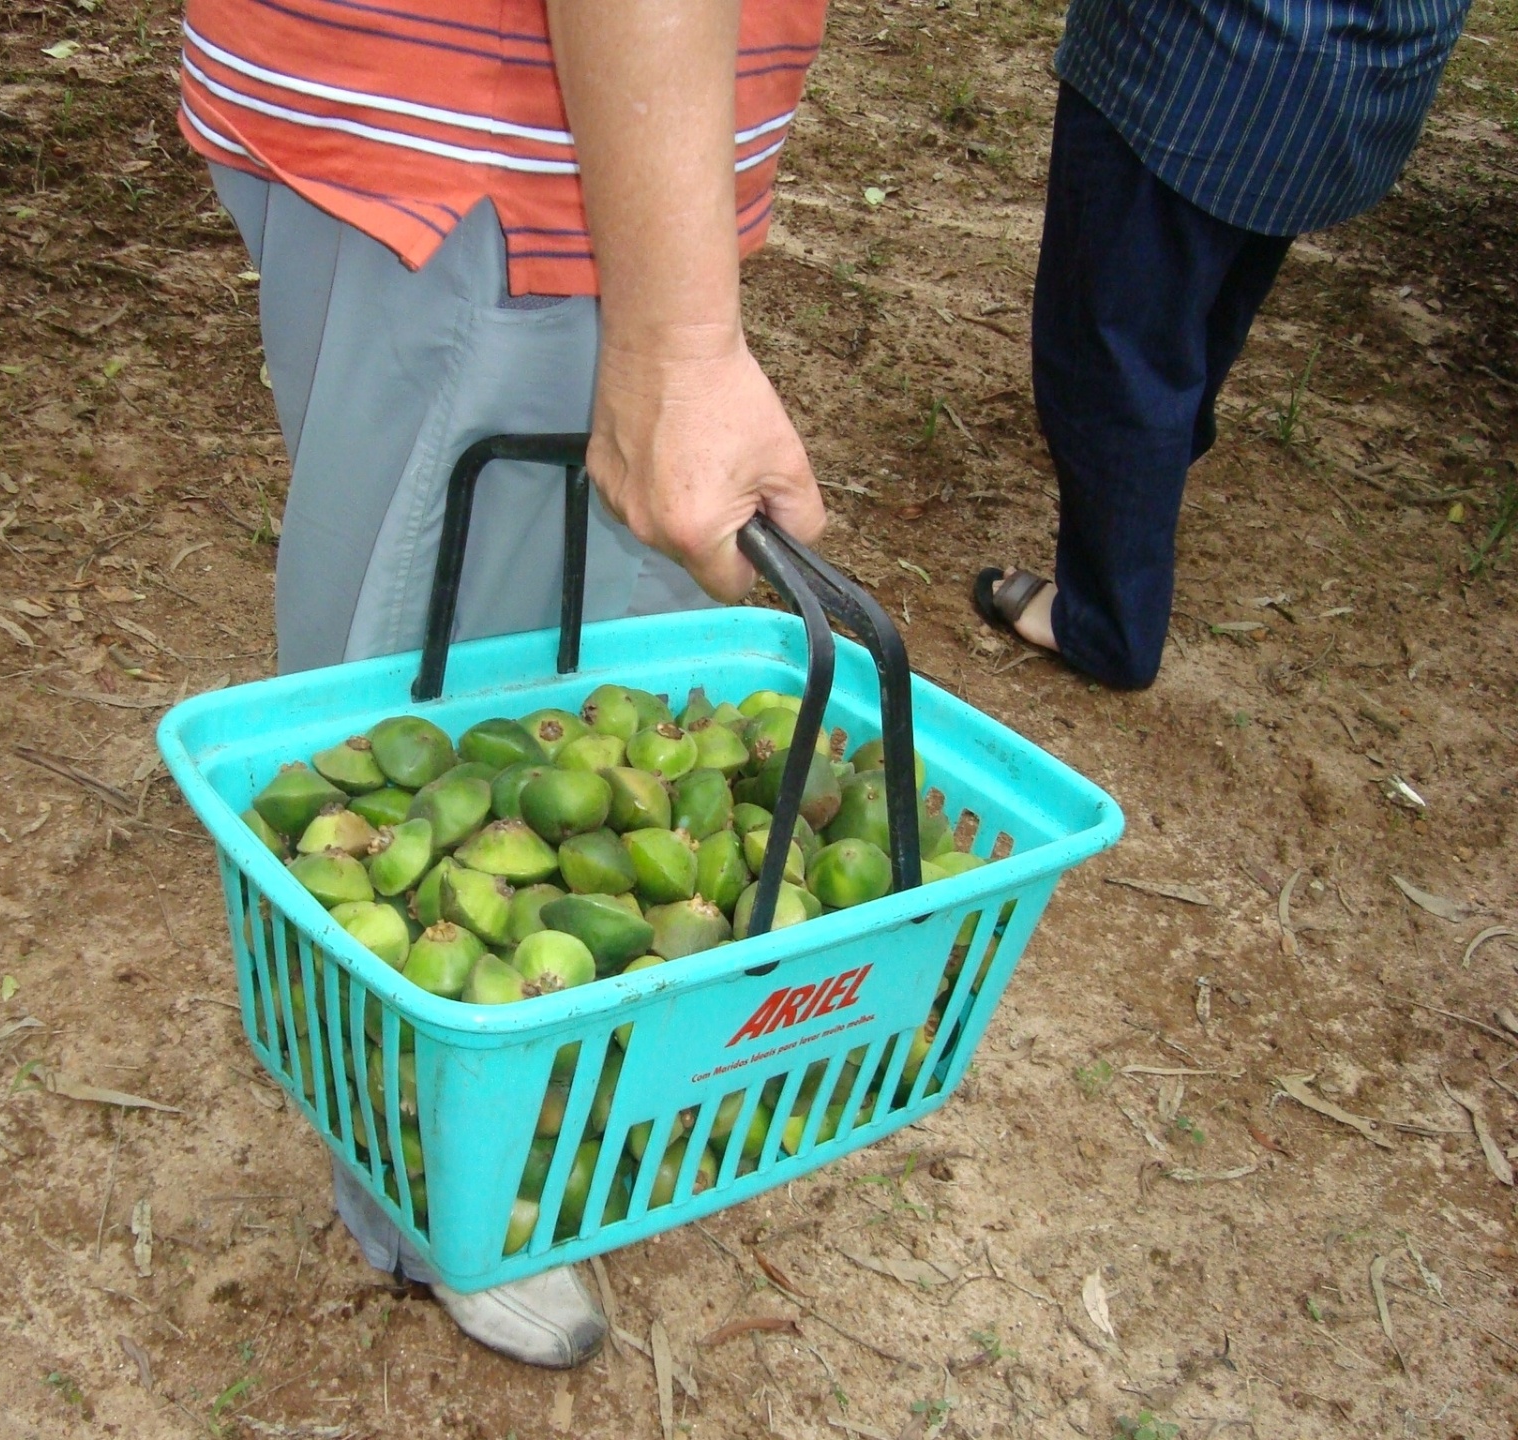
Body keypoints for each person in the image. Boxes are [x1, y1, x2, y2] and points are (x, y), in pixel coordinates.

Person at [176, 0, 830, 1366]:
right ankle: (456, 1200)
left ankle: (479, 1144)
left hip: (455, 134)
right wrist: (678, 340)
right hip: (516, 163)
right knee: (460, 692)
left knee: (468, 650)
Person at [975, 0, 1472, 689]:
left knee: (1111, 353)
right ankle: (1151, 471)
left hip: (1201, 68)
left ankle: (1105, 624)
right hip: (1368, 56)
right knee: (1210, 288)